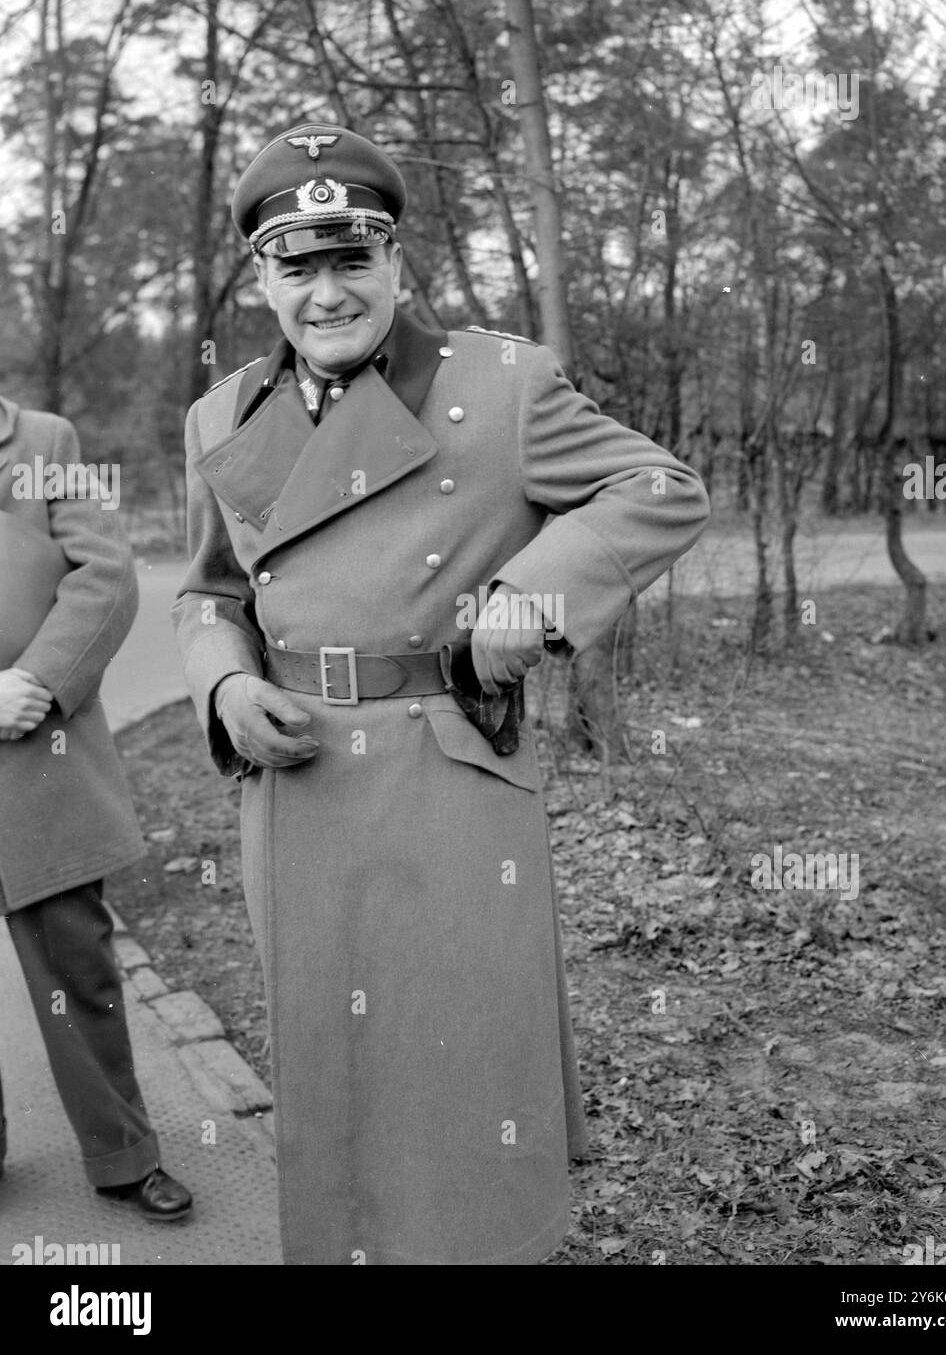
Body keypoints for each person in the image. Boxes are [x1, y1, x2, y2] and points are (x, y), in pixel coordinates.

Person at [172, 122, 710, 1264]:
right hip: (297, 779)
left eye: (350, 260)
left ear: (397, 266)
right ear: (263, 280)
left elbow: (662, 487)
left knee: (462, 1062)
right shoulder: (221, 415)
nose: (328, 293)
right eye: (297, 267)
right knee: (332, 1063)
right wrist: (222, 683)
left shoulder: (499, 384)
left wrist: (526, 596)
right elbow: (207, 592)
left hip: (446, 775)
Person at [0, 395, 192, 1221]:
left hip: (40, 759)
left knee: (77, 970)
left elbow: (107, 575)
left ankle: (123, 1153)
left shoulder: (44, 441)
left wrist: (35, 682)